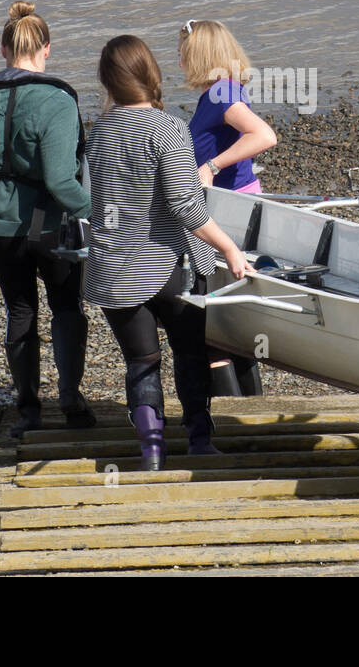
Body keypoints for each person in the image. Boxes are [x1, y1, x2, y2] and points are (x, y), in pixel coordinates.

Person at [84, 35, 248, 470]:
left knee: (141, 361)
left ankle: (152, 453)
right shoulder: (167, 128)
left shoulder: (99, 132)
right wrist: (230, 248)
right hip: (166, 267)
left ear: (108, 82)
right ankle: (198, 442)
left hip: (113, 268)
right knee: (190, 351)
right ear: (152, 74)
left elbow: (92, 199)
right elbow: (186, 206)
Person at [0, 2, 94, 439]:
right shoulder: (57, 99)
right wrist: (97, 217)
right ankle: (71, 399)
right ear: (46, 48)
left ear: (4, 48)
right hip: (48, 223)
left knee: (19, 309)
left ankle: (28, 409)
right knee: (66, 306)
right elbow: (62, 180)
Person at [178, 18, 277, 396]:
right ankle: (250, 406)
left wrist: (211, 165)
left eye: (182, 52)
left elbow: (264, 135)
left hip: (230, 211)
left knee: (214, 323)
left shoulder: (221, 94)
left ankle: (232, 416)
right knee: (228, 319)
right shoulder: (220, 92)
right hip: (235, 204)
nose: (179, 60)